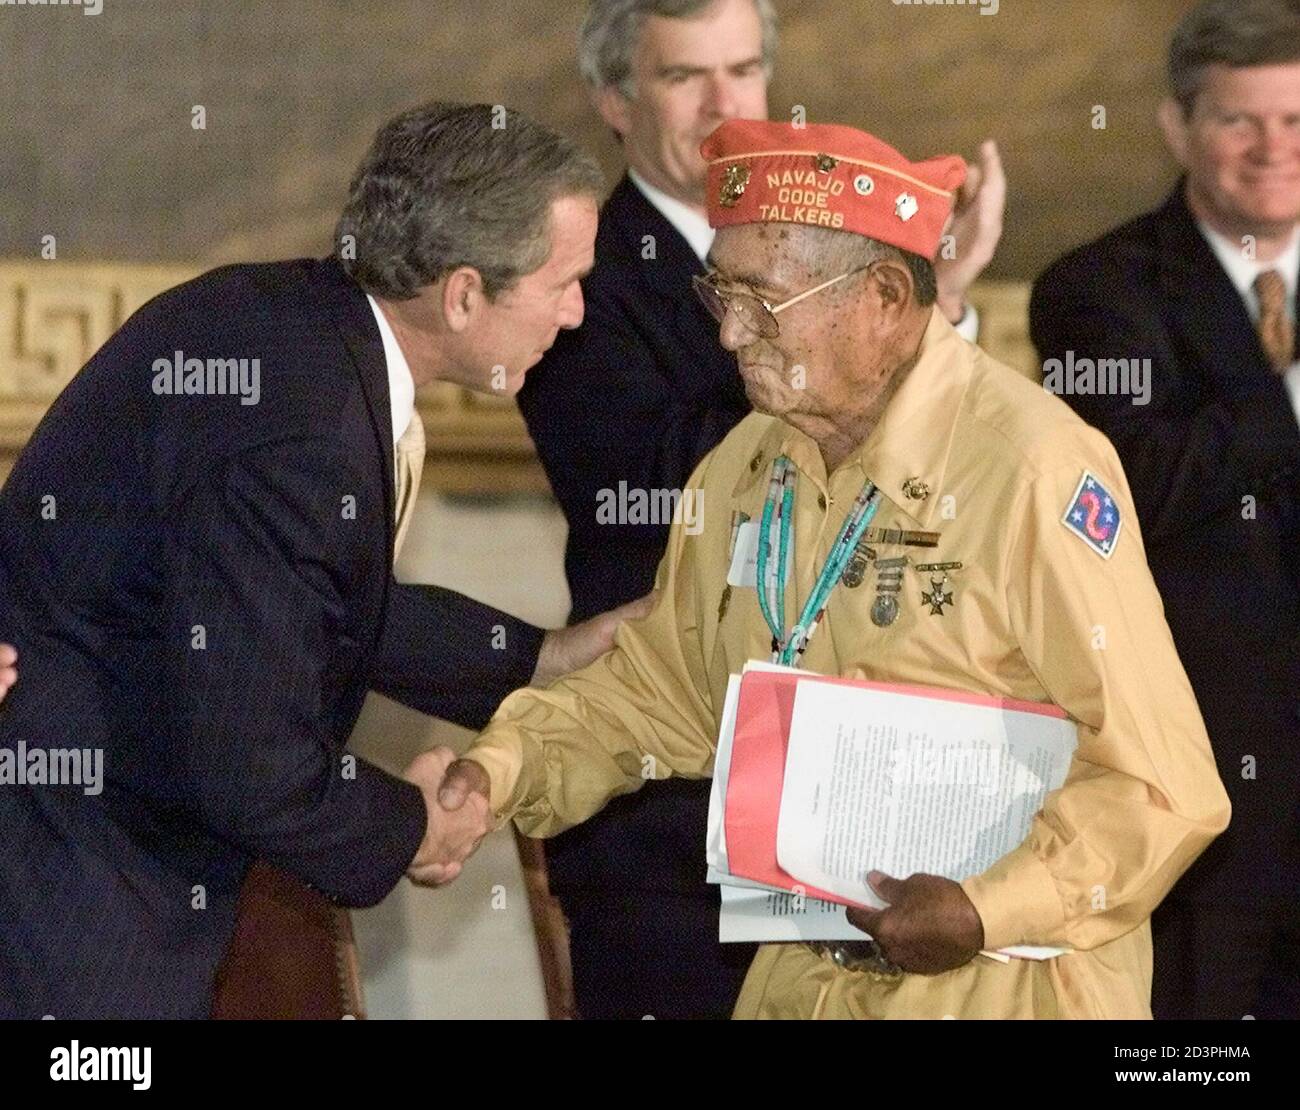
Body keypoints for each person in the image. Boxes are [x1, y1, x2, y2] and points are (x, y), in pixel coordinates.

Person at [431, 118, 1232, 1020]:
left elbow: (1161, 787)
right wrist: (497, 771)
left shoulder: (1034, 472)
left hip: (1005, 988)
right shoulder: (744, 466)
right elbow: (658, 691)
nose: (731, 334)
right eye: (717, 293)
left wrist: (980, 908)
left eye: (760, 300)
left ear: (886, 297)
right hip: (802, 983)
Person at [0, 101, 641, 1019]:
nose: (577, 314)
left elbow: (311, 599)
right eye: (564, 281)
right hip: (72, 882)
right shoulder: (304, 435)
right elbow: (247, 760)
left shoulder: (282, 320)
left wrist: (537, 657)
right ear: (462, 293)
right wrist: (417, 827)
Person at [515, 0, 1006, 1019]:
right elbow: (647, 483)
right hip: (665, 826)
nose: (723, 102)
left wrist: (929, 305)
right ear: (615, 100)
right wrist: (860, 346)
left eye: (741, 71)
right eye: (684, 76)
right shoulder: (578, 276)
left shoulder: (839, 264)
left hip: (851, 797)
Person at [1030, 0, 1300, 1021]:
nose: (1273, 150)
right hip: (1201, 814)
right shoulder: (1096, 290)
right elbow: (1129, 491)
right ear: (1180, 128)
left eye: (1296, 121)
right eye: (1241, 121)